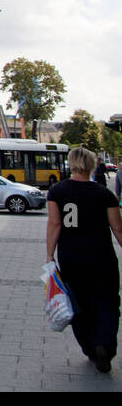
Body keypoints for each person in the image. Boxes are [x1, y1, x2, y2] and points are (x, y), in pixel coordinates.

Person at [47, 146, 122, 373]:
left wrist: (49, 255)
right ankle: (104, 344)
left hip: (71, 258)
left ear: (71, 164)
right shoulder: (104, 194)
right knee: (107, 303)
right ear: (92, 165)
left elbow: (55, 224)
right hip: (102, 257)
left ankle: (90, 347)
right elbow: (117, 228)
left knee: (79, 305)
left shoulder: (57, 191)